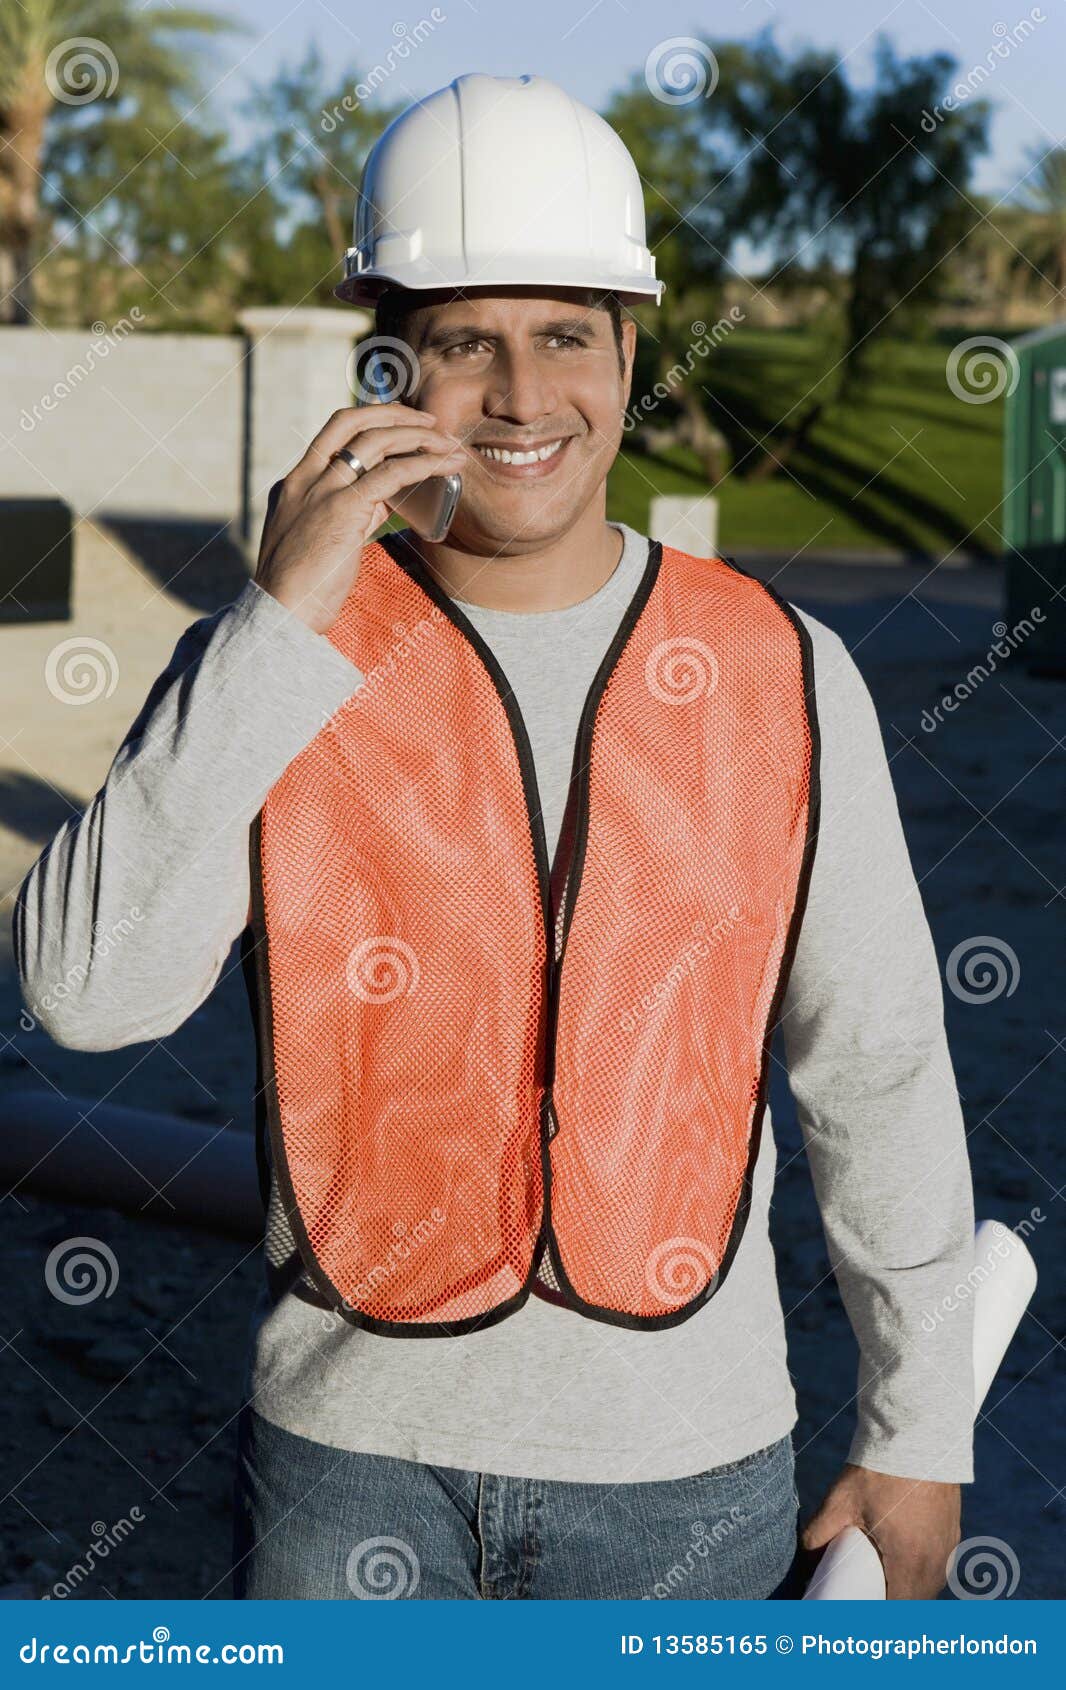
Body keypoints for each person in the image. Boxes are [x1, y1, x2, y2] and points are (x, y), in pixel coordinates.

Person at [14, 73, 974, 1602]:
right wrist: (275, 621)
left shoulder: (781, 667)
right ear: (386, 360)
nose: (522, 397)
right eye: (465, 341)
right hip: (345, 1465)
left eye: (564, 337)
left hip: (685, 1477)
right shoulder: (279, 654)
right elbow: (84, 994)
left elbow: (875, 1062)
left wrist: (919, 1425)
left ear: (628, 354)